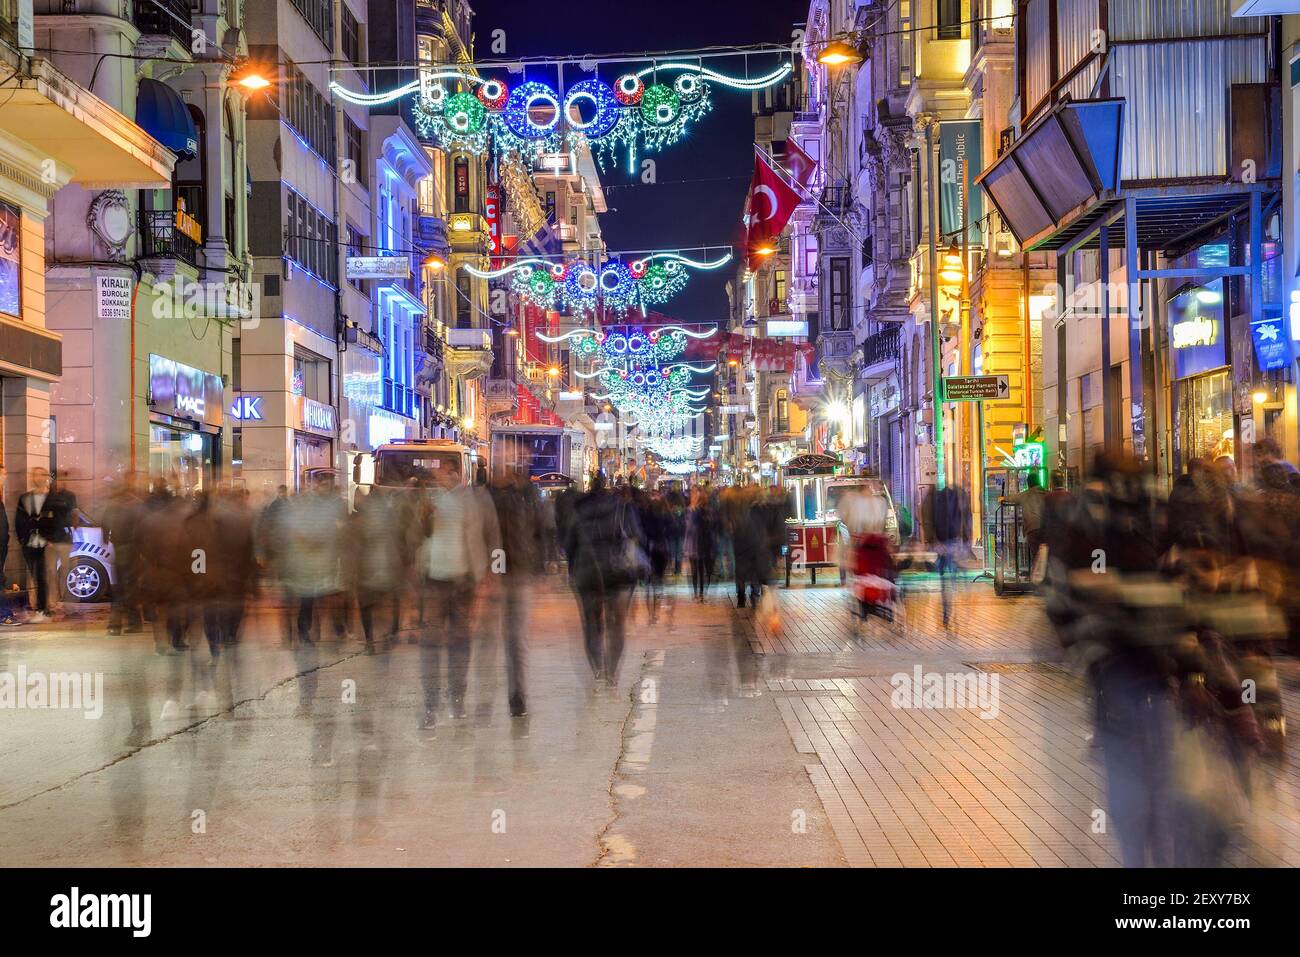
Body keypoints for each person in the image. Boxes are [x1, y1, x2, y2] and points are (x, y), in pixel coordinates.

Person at [417, 459, 501, 729]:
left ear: (455, 474)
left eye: (442, 472)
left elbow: (490, 535)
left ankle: (457, 700)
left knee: (460, 643)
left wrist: (489, 572)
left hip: (463, 580)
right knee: (431, 644)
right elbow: (419, 533)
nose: (438, 477)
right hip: (434, 579)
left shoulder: (472, 500)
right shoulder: (431, 500)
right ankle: (431, 704)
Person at [566, 472, 641, 687]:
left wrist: (573, 568)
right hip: (615, 572)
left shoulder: (579, 508)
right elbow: (636, 535)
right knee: (616, 624)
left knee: (592, 624)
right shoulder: (621, 506)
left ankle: (597, 668)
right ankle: (611, 672)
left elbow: (569, 543)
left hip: (587, 572)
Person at [489, 466, 543, 716]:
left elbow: (535, 536)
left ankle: (516, 695)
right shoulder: (501, 500)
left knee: (513, 639)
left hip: (514, 576)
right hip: (510, 575)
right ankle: (511, 695)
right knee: (510, 640)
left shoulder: (515, 502)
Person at [16, 467, 53, 622]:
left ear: (46, 477)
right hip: (29, 543)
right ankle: (38, 607)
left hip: (46, 543)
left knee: (43, 576)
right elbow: (19, 520)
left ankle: (43, 608)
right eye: (36, 475)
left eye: (42, 475)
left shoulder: (51, 498)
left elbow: (56, 520)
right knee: (34, 575)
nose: (38, 478)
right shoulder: (25, 498)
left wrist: (51, 538)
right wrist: (22, 539)